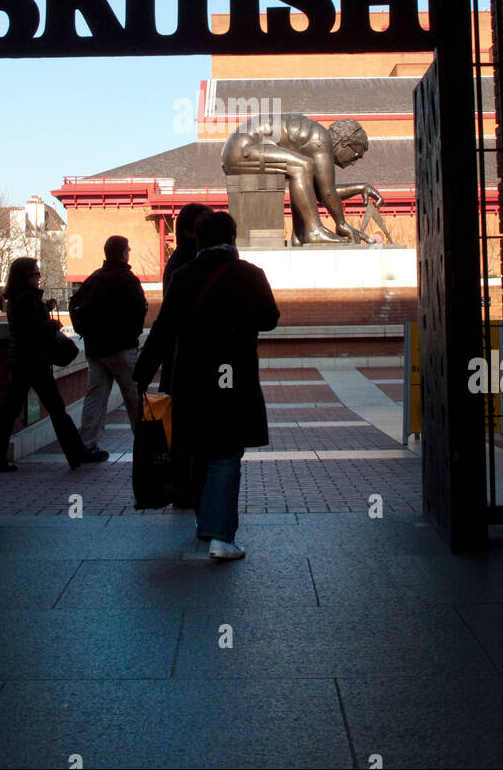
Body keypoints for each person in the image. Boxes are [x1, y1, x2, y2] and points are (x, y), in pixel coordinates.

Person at [134, 211, 279, 561]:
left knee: (198, 448)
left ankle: (206, 524)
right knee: (226, 450)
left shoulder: (183, 276)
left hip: (192, 376)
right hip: (231, 374)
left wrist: (142, 373)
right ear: (232, 238)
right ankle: (220, 537)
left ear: (199, 240)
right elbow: (269, 320)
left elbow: (163, 328)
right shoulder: (250, 275)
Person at [0, 256, 105, 472]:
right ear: (26, 276)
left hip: (22, 361)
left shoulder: (17, 298)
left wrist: (45, 309)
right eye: (35, 273)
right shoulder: (27, 299)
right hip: (34, 362)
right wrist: (53, 325)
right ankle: (77, 453)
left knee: (11, 411)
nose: (39, 277)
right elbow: (35, 332)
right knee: (56, 410)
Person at [221, 112, 382, 244]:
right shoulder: (321, 139)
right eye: (356, 155)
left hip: (237, 151)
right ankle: (314, 231)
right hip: (242, 149)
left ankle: (300, 235)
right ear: (345, 142)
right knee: (302, 167)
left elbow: (319, 193)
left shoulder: (314, 140)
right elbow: (327, 193)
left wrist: (361, 188)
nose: (353, 162)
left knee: (301, 170)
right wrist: (341, 224)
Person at [68, 235, 147, 457]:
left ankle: (87, 444)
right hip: (122, 348)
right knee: (134, 398)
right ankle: (144, 446)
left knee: (95, 396)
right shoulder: (127, 279)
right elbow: (139, 309)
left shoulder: (94, 278)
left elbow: (76, 306)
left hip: (95, 350)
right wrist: (133, 335)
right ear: (123, 253)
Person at [162, 204, 213, 507]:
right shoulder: (188, 266)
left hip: (178, 359)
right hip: (188, 359)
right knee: (192, 429)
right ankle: (189, 491)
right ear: (191, 230)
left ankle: (186, 489)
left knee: (184, 430)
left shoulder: (178, 263)